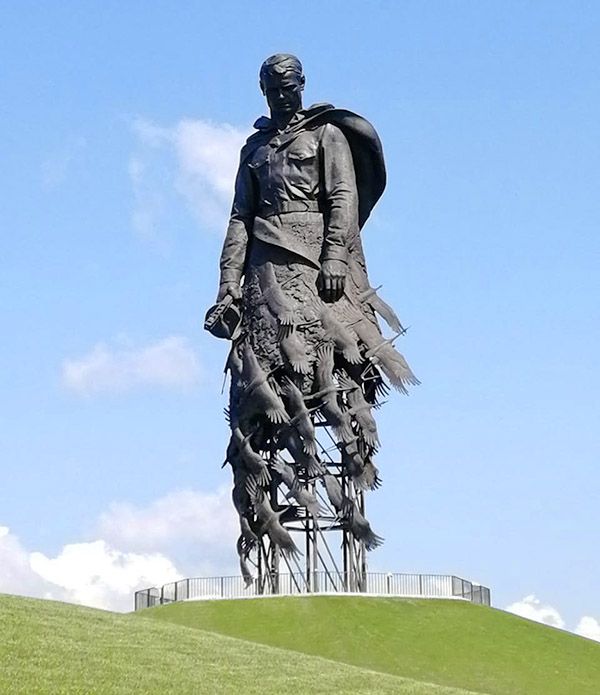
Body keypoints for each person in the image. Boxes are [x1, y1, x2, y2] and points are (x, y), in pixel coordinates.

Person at [207, 54, 418, 578]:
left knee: (331, 388)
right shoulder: (254, 149)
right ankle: (268, 549)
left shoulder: (327, 136)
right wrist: (226, 288)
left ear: (303, 85)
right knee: (265, 402)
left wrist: (334, 258)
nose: (284, 95)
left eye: (291, 86)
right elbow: (239, 218)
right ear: (262, 91)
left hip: (320, 274)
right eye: (275, 88)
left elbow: (344, 199)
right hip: (264, 276)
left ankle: (348, 530)